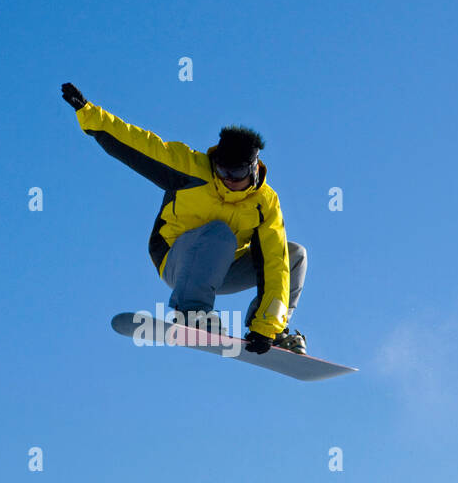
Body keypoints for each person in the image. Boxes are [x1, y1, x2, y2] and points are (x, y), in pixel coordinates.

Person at [62, 82, 307, 355]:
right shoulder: (190, 168)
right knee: (220, 232)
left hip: (223, 267)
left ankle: (274, 330)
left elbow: (274, 262)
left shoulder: (265, 202)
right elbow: (138, 144)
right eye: (222, 171)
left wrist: (267, 325)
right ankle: (191, 312)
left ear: (253, 168)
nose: (227, 180)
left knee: (294, 254)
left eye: (236, 173)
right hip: (178, 259)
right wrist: (88, 113)